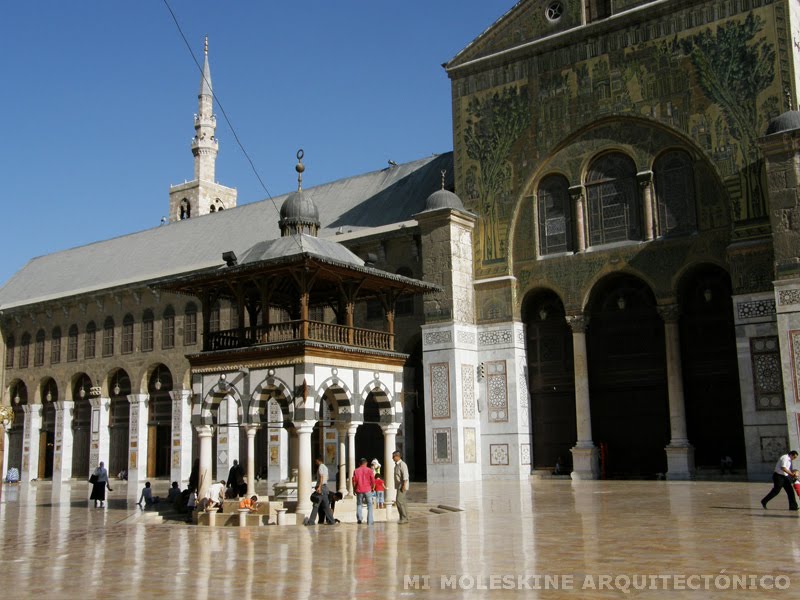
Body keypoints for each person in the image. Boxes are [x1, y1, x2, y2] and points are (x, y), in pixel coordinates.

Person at [304, 457, 336, 525]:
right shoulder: (326, 467)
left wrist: (319, 486)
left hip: (321, 488)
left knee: (316, 505)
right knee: (325, 506)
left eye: (316, 461)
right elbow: (327, 478)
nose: (316, 463)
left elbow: (321, 477)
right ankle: (331, 521)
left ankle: (311, 521)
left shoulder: (321, 467)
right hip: (325, 488)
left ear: (319, 460)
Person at [352, 458, 376, 524]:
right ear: (366, 463)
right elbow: (373, 481)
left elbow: (354, 481)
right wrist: (373, 488)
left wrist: (354, 489)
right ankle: (370, 521)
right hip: (368, 489)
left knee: (359, 504)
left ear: (359, 463)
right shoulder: (369, 470)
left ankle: (359, 518)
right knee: (370, 505)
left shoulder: (356, 471)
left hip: (359, 489)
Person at [392, 450, 410, 524]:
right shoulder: (397, 465)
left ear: (398, 456)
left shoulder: (402, 464)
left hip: (402, 486)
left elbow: (405, 476)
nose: (392, 458)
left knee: (399, 501)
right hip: (399, 485)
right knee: (403, 502)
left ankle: (404, 517)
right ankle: (404, 517)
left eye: (393, 456)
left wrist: (403, 486)